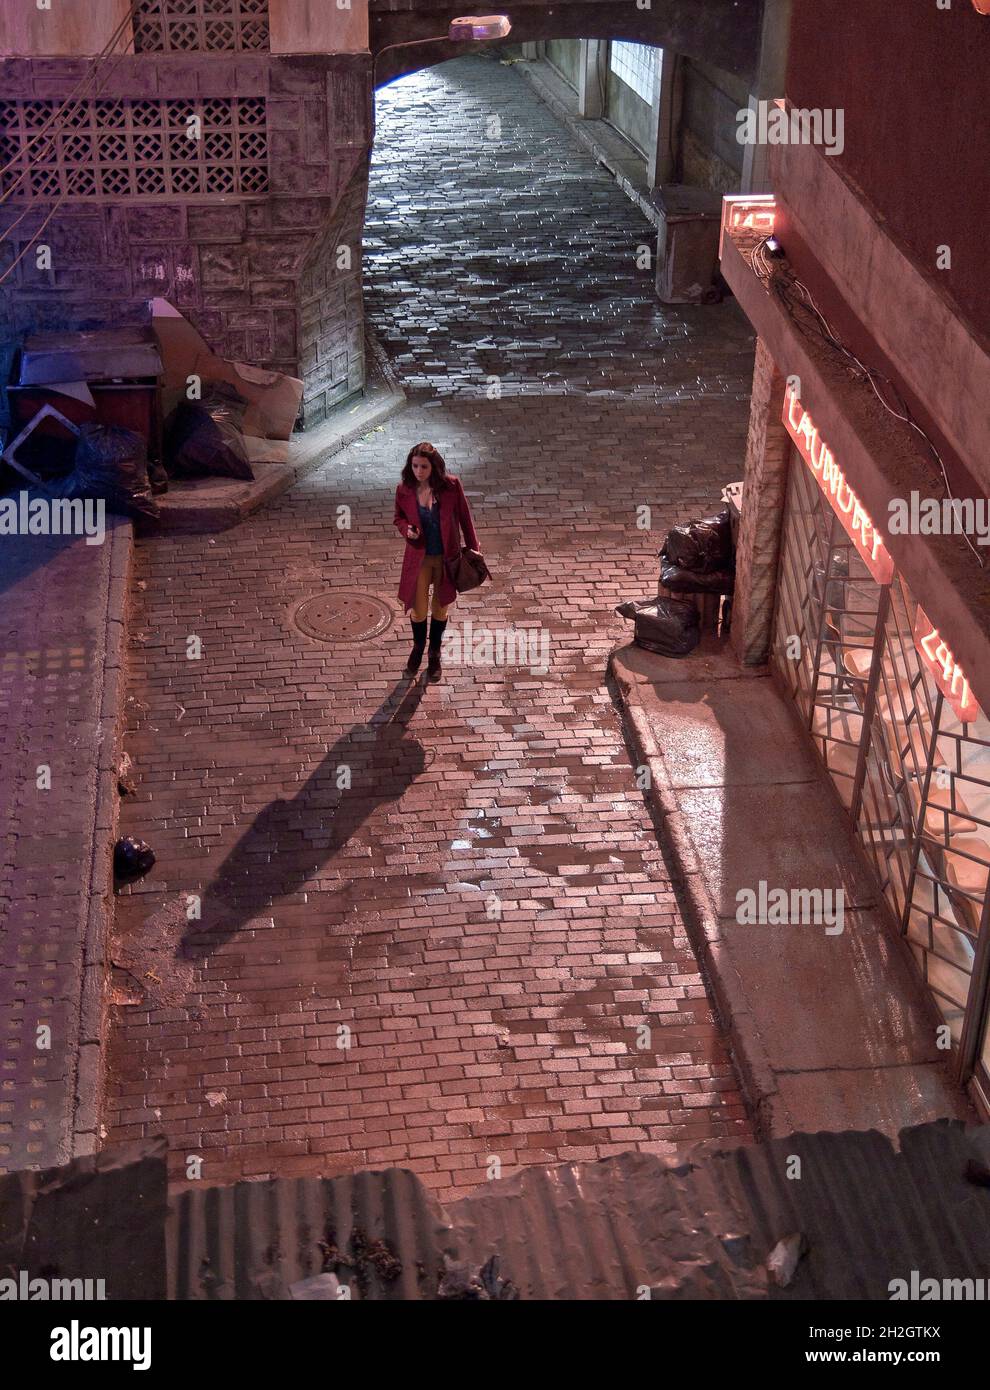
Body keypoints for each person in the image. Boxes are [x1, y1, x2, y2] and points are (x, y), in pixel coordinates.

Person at [393, 442, 481, 682]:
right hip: (419, 559)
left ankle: (434, 654)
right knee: (418, 609)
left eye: (423, 466)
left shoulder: (451, 486)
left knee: (440, 606)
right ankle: (418, 648)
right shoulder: (404, 489)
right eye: (415, 466)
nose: (418, 471)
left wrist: (474, 549)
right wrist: (406, 530)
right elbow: (398, 517)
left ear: (434, 466)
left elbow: (464, 517)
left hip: (446, 558)